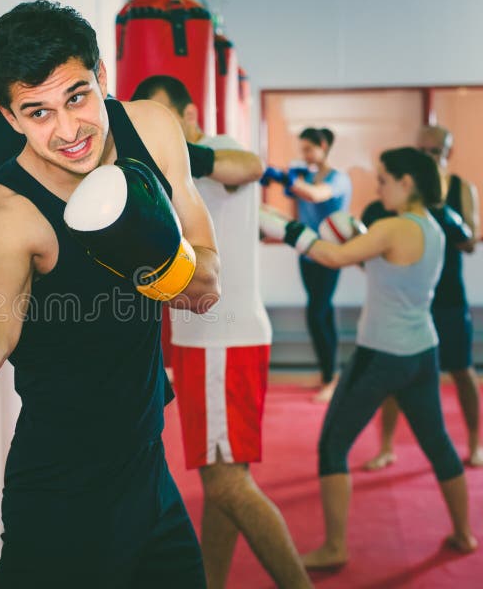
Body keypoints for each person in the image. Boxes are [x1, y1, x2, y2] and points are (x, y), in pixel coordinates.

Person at [0, 2, 260, 587]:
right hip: (63, 493)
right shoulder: (9, 211)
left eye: (77, 97)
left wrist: (156, 262)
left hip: (148, 467)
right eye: (38, 112)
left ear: (102, 77)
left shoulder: (150, 129)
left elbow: (206, 282)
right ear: (10, 117)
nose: (69, 130)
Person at [131, 75, 311, 589]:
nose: (157, 129)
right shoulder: (168, 170)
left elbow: (251, 166)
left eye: (164, 116)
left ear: (189, 114)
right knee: (221, 482)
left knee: (228, 484)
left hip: (220, 340)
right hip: (207, 340)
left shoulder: (217, 149)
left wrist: (180, 150)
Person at [260, 147, 478, 568]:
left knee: (333, 445)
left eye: (383, 180)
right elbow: (380, 267)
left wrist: (278, 224)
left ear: (406, 182)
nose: (378, 188)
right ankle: (465, 533)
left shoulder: (395, 227)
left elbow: (333, 257)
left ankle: (335, 547)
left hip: (381, 353)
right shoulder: (431, 227)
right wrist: (356, 233)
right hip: (421, 351)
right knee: (437, 443)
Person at [364, 125, 482, 470]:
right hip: (406, 296)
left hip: (448, 294)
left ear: (448, 153)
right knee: (392, 373)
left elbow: (469, 241)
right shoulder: (398, 195)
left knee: (461, 370)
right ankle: (386, 446)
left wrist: (448, 214)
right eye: (424, 150)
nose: (430, 156)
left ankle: (475, 443)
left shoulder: (460, 189)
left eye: (436, 151)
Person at [263, 128, 352, 402]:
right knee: (318, 312)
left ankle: (332, 378)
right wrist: (275, 176)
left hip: (329, 254)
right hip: (306, 255)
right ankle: (327, 374)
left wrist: (289, 178)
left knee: (319, 311)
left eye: (308, 149)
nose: (304, 155)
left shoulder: (338, 179)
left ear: (323, 145)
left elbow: (314, 195)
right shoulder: (308, 175)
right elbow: (296, 193)